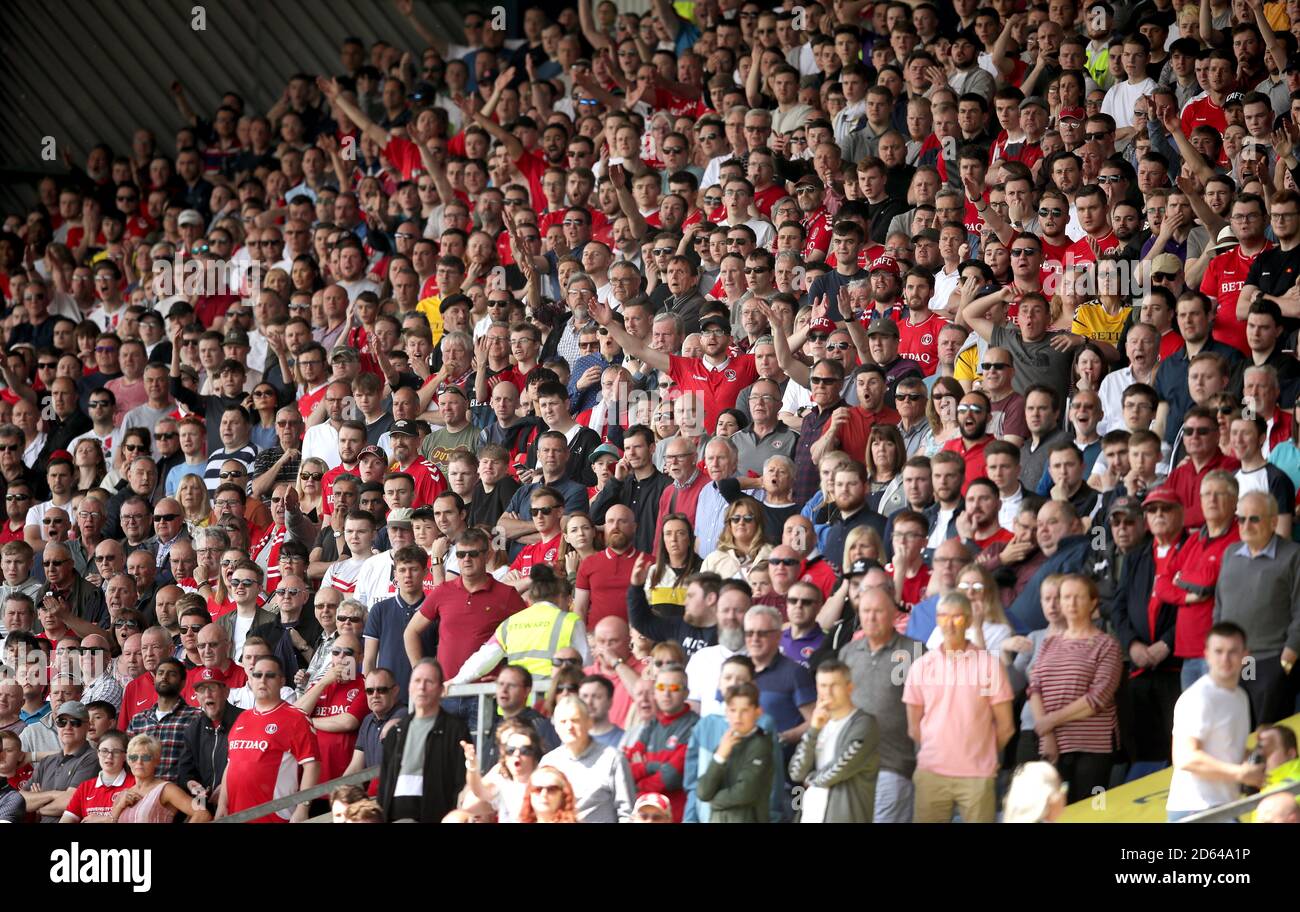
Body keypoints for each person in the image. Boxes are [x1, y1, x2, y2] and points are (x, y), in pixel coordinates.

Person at [903, 592, 1014, 823]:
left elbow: (1006, 727)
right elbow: (914, 728)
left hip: (977, 775)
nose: (950, 624)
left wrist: (981, 755)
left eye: (958, 618)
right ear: (936, 619)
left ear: (970, 621)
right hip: (931, 773)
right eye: (943, 617)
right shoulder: (921, 666)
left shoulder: (989, 665)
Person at [1026, 575, 1122, 803]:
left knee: (1092, 811)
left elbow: (1098, 698)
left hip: (1094, 748)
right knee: (1055, 812)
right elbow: (1034, 688)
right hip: (1053, 743)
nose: (1071, 603)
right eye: (1066, 597)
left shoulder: (1107, 644)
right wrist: (1046, 732)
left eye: (1078, 597)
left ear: (1093, 602)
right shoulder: (1050, 642)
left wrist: (1050, 721)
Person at [839, 584, 924, 823]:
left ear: (893, 613)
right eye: (865, 611)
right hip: (852, 767)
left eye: (878, 610)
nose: (871, 617)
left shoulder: (913, 652)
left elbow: (928, 709)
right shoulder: (848, 653)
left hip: (895, 766)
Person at [1213, 491, 1300, 724]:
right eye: (1241, 519)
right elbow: (1220, 604)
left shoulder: (1293, 555)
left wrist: (1287, 659)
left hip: (1271, 660)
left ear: (1273, 522)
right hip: (1236, 662)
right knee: (1239, 730)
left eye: (1254, 519)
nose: (1246, 525)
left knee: (1267, 733)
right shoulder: (1231, 553)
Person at [1166, 622, 1263, 821]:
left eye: (1233, 652)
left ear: (1246, 655)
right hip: (1195, 808)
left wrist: (1256, 755)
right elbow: (1185, 758)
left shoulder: (1240, 697)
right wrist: (1240, 773)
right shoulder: (1197, 697)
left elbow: (1227, 747)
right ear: (1207, 654)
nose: (1225, 659)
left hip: (1224, 806)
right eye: (1218, 651)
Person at [217, 655, 320, 823]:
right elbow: (231, 765)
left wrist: (303, 808)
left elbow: (312, 766)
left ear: (281, 681)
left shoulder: (296, 718)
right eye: (257, 675)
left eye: (270, 675)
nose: (262, 680)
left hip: (274, 817)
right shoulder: (242, 718)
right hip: (235, 814)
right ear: (250, 680)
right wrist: (222, 804)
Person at [376, 658, 468, 823]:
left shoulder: (456, 730)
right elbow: (384, 785)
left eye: (429, 681)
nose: (422, 687)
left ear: (441, 689)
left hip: (437, 814)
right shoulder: (396, 732)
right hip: (396, 814)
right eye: (417, 681)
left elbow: (461, 781)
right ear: (409, 687)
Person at [789, 659, 879, 823]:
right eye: (822, 686)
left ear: (849, 687)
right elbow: (796, 772)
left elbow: (839, 769)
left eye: (834, 685)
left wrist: (810, 780)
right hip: (810, 816)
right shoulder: (819, 724)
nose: (828, 692)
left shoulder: (865, 723)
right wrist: (814, 729)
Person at [539, 695, 636, 823]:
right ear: (556, 727)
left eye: (575, 720)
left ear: (589, 723)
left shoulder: (612, 758)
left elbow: (627, 813)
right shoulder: (548, 762)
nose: (569, 727)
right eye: (563, 722)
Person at [622, 663, 698, 821]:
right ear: (655, 692)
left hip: (675, 815)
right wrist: (652, 767)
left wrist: (637, 782)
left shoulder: (695, 726)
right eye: (662, 687)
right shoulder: (652, 723)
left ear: (686, 693)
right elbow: (626, 769)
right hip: (643, 814)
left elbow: (670, 778)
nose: (667, 694)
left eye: (675, 688)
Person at [694, 681, 777, 824]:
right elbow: (702, 791)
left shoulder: (761, 745)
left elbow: (745, 792)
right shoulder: (725, 744)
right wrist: (720, 756)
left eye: (744, 710)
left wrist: (713, 800)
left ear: (758, 712)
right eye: (733, 710)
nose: (738, 716)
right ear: (726, 712)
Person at [111, 733, 212, 823]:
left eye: (146, 757)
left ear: (156, 761)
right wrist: (119, 806)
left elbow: (202, 814)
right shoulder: (123, 794)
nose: (139, 762)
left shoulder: (166, 789)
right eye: (133, 757)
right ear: (128, 760)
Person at [175, 676, 242, 813]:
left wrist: (227, 787)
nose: (207, 694)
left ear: (226, 692)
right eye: (201, 689)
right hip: (205, 805)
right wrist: (190, 784)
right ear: (197, 697)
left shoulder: (244, 720)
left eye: (212, 688)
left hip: (238, 802)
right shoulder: (194, 729)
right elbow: (185, 770)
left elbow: (251, 766)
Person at [59, 728, 134, 823]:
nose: (109, 756)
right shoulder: (85, 787)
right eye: (104, 751)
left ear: (125, 756)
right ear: (98, 753)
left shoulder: (134, 784)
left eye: (116, 751)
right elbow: (67, 819)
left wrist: (105, 820)